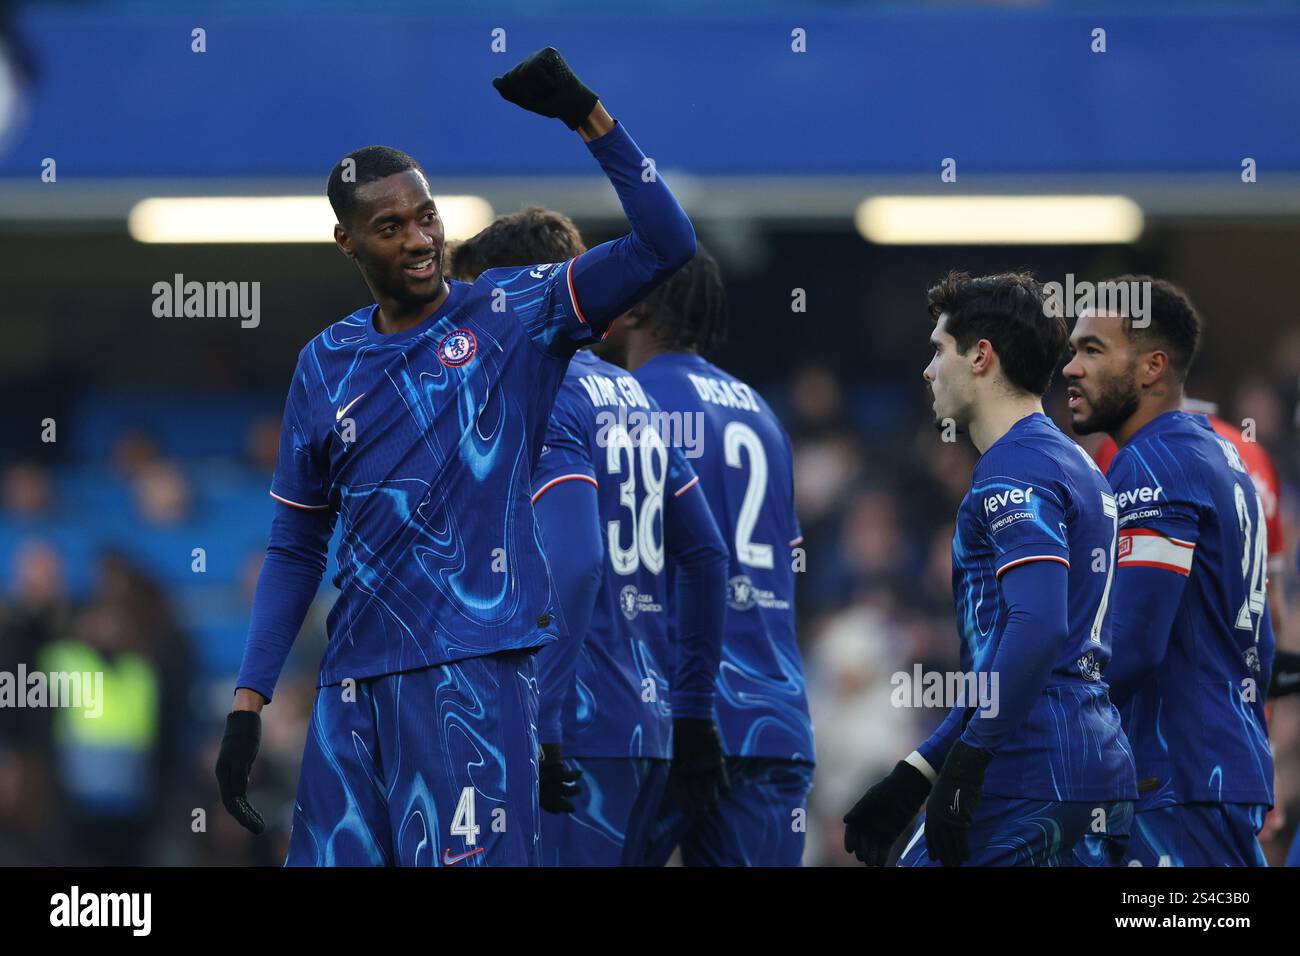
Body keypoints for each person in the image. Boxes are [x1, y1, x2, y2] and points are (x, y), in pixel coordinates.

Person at [214, 48, 696, 866]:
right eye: (390, 226)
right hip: (354, 684)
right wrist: (247, 703)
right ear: (347, 243)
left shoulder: (516, 310)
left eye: (427, 216)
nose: (419, 238)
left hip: (475, 678)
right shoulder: (323, 363)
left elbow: (666, 243)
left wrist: (590, 117)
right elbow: (297, 545)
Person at [448, 207, 730, 866]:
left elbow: (575, 563)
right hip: (642, 727)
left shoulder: (538, 391)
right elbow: (707, 555)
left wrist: (539, 730)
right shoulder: (630, 392)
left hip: (570, 735)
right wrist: (690, 709)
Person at [844, 271, 1135, 867]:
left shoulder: (1014, 469)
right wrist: (920, 770)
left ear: (981, 357)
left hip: (1029, 761)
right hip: (1093, 756)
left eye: (938, 350)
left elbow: (1036, 627)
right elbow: (1008, 654)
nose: (928, 371)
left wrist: (970, 761)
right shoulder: (1073, 463)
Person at [601, 247, 817, 866]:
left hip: (666, 717)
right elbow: (786, 565)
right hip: (772, 719)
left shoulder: (624, 403)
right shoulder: (765, 415)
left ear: (637, 304)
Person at [1063, 277, 1274, 866]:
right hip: (1220, 769)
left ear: (1153, 367)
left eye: (1093, 350)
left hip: (1177, 776)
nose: (1071, 368)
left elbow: (1131, 643)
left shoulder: (1153, 462)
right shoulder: (1220, 454)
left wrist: (1043, 732)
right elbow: (1264, 639)